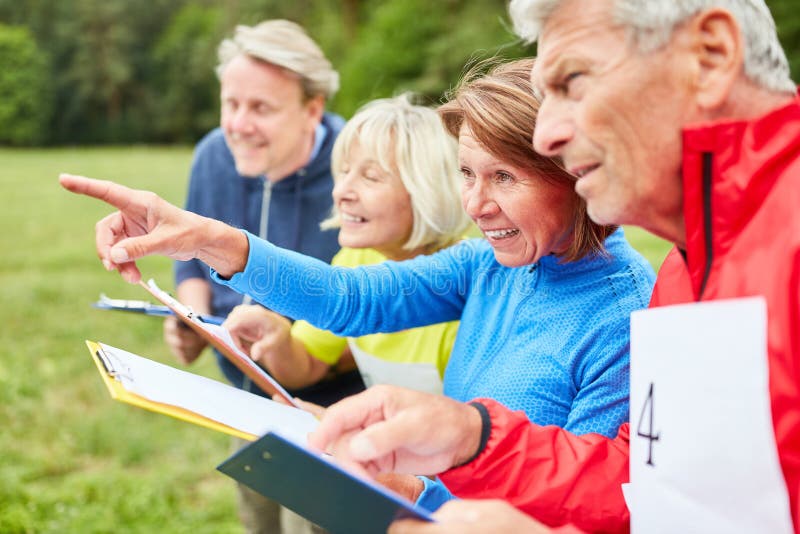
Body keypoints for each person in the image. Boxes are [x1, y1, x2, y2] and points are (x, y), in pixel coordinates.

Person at [59, 56, 655, 516]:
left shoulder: (624, 316)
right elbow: (350, 298)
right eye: (467, 174)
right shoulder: (491, 264)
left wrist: (410, 494)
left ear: (575, 170)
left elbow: (579, 501)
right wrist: (203, 238)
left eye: (504, 176)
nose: (475, 204)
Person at [300, 0, 800, 532]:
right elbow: (657, 485)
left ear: (711, 55)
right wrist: (473, 439)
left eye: (573, 81)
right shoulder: (685, 265)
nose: (547, 136)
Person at [163, 19, 363, 534]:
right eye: (231, 104)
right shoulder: (214, 153)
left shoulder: (356, 167)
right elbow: (190, 256)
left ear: (312, 108)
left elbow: (379, 292)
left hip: (331, 404)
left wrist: (300, 356)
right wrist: (192, 317)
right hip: (245, 394)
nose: (238, 124)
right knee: (259, 517)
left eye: (261, 108)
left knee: (309, 523)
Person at [223, 94, 471, 397]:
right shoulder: (356, 259)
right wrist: (279, 337)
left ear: (428, 191)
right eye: (344, 171)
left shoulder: (470, 280)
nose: (341, 192)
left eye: (370, 176)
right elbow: (307, 366)